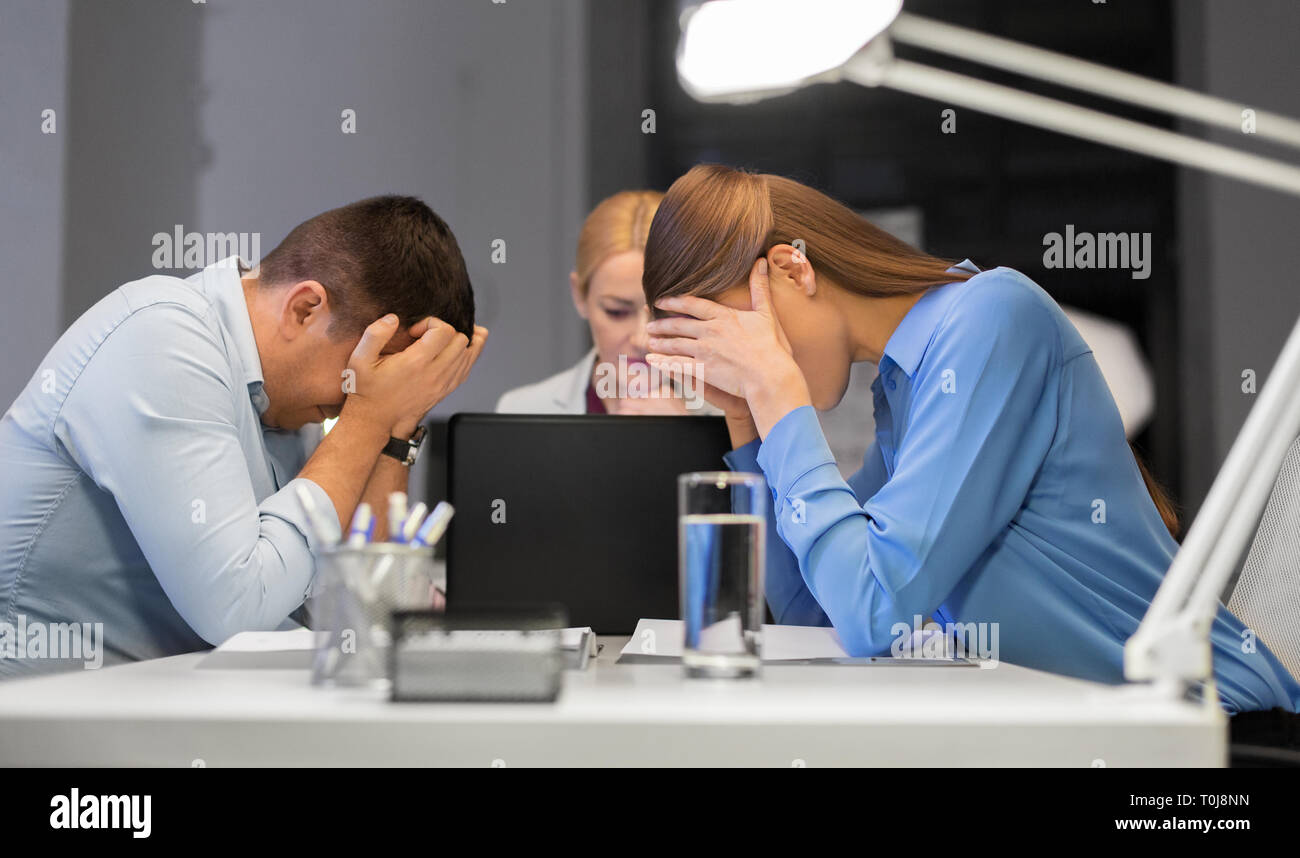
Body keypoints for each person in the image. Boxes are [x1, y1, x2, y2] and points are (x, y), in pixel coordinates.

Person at [640, 163, 1299, 715]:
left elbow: (875, 615)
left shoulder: (990, 317)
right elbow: (820, 615)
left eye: (737, 338)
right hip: (1099, 723)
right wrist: (747, 419)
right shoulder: (903, 386)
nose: (745, 363)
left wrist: (778, 394)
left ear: (792, 270)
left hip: (1206, 727)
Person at [0, 195, 487, 678]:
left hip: (163, 720)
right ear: (304, 309)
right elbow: (237, 609)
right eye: (364, 371)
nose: (358, 397)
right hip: (39, 722)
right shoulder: (163, 336)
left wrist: (396, 431)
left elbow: (364, 624)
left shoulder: (296, 403)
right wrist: (369, 416)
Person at [497, 190, 716, 416]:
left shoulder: (736, 418)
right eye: (617, 312)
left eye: (665, 313)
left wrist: (686, 443)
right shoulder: (521, 411)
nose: (642, 340)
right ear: (580, 295)